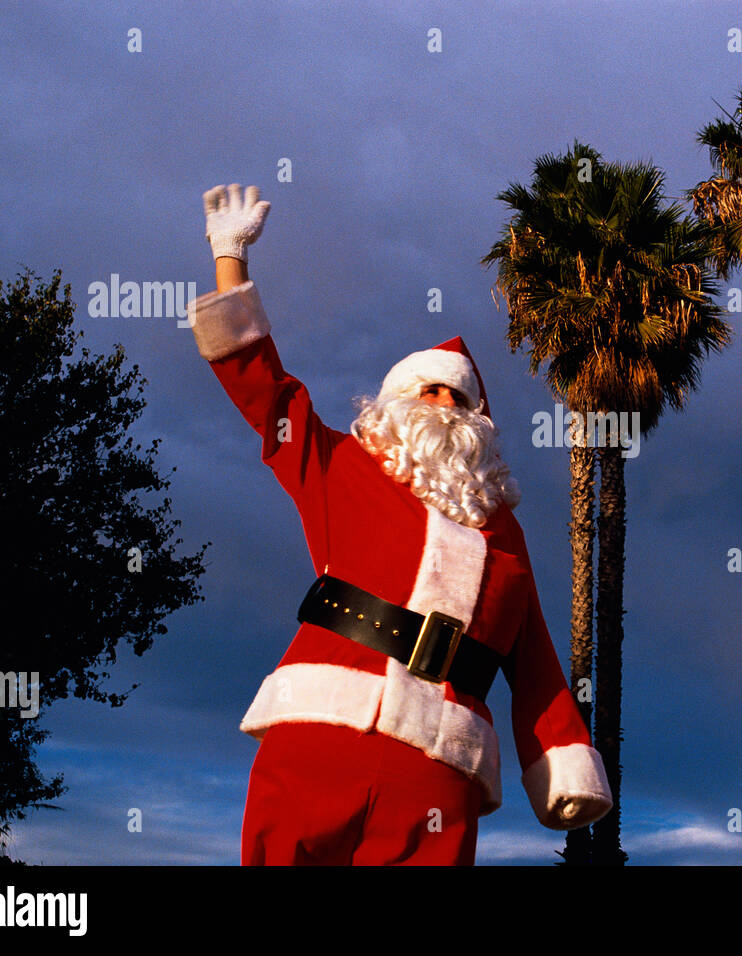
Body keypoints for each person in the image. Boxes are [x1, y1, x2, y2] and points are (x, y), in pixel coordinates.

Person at [187, 183, 611, 865]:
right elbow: (266, 394)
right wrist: (230, 258)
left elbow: (533, 659)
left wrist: (560, 756)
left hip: (439, 767)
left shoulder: (502, 531)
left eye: (461, 397)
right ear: (393, 404)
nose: (446, 405)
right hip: (323, 729)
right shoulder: (339, 466)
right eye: (430, 390)